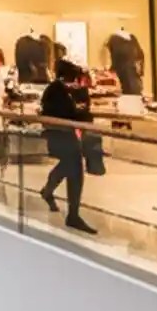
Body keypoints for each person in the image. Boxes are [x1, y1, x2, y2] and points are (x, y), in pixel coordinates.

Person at [39, 59, 96, 234]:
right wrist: (81, 112)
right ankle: (72, 214)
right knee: (74, 168)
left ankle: (49, 191)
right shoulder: (56, 91)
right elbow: (68, 114)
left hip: (65, 136)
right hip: (58, 135)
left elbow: (80, 113)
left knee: (68, 166)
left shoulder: (65, 90)